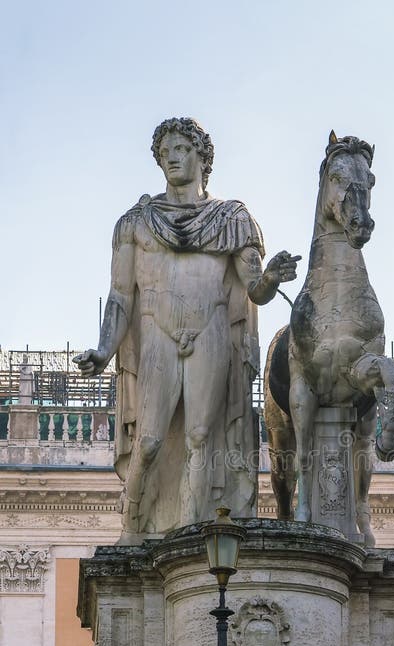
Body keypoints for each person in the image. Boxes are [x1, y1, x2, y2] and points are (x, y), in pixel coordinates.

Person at [76, 117, 299, 540]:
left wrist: (270, 277)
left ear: (202, 156)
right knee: (149, 440)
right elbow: (121, 295)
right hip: (156, 334)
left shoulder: (232, 219)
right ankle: (133, 527)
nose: (171, 158)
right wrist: (104, 350)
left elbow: (254, 289)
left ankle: (190, 531)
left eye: (181, 149)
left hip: (211, 331)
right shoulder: (136, 223)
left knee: (201, 436)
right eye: (164, 153)